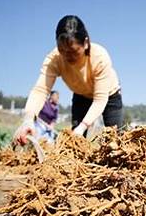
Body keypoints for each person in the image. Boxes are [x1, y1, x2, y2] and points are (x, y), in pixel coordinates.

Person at [14, 15, 124, 145]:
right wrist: (28, 120)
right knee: (76, 141)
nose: (67, 57)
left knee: (116, 140)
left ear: (86, 43)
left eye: (73, 51)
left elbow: (100, 99)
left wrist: (83, 125)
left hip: (109, 95)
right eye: (62, 51)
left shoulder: (99, 57)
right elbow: (40, 90)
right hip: (81, 95)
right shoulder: (55, 59)